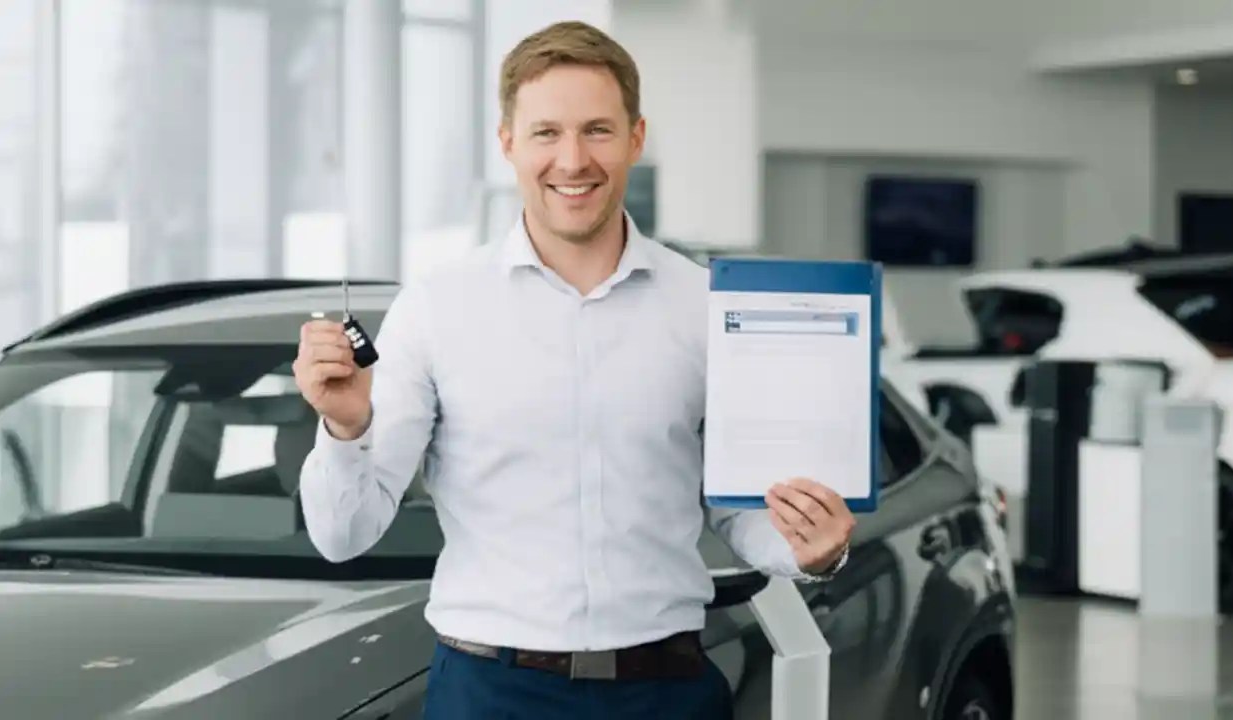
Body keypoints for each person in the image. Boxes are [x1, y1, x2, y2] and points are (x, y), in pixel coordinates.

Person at [292, 20, 856, 720]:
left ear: (635, 138)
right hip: (489, 694)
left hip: (667, 690)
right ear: (508, 143)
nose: (572, 159)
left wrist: (813, 550)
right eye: (545, 133)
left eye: (597, 130)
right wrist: (345, 430)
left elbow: (732, 509)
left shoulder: (707, 305)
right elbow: (345, 535)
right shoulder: (438, 307)